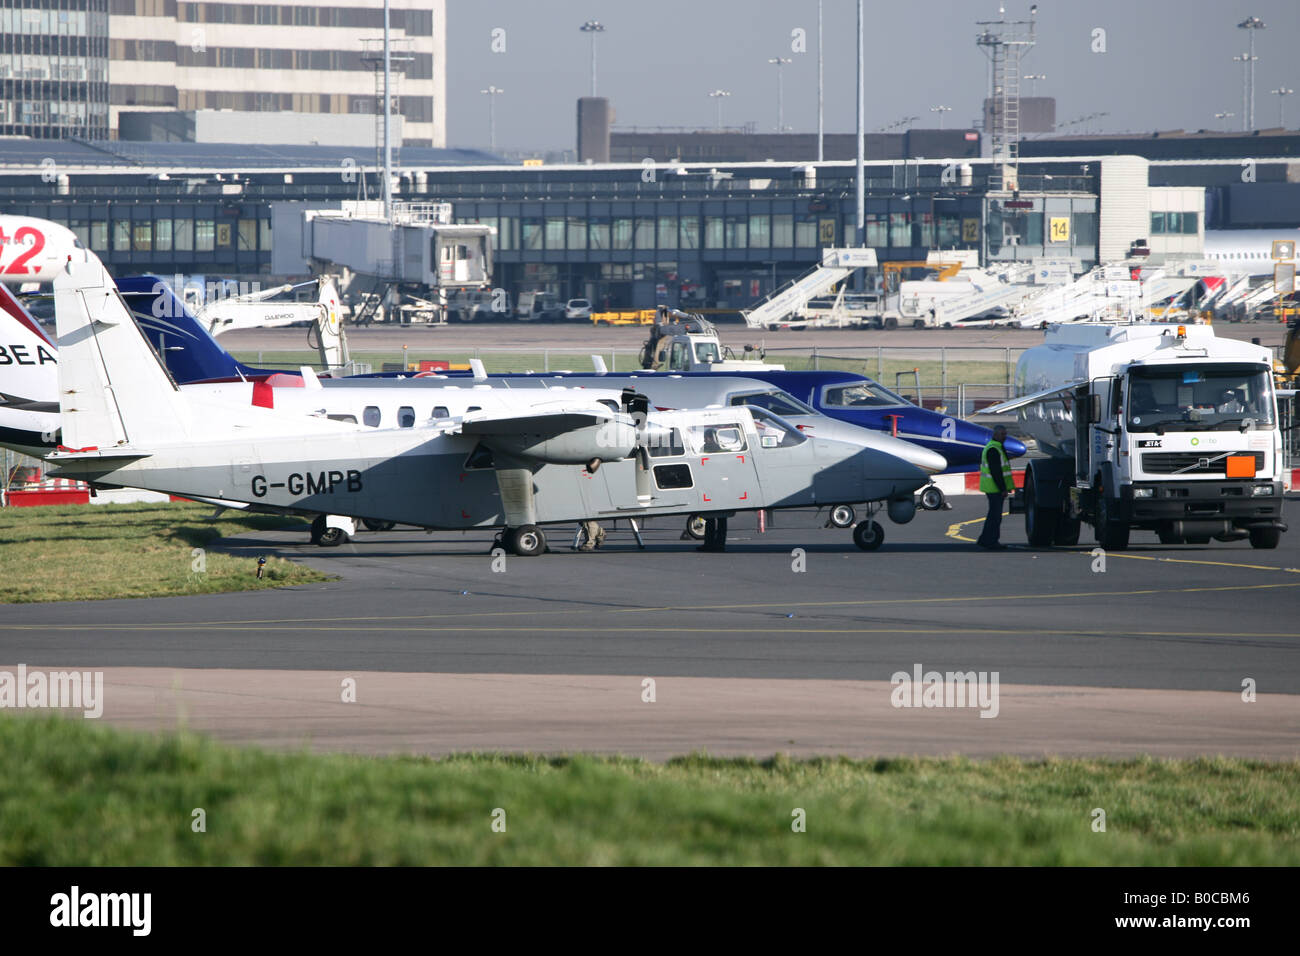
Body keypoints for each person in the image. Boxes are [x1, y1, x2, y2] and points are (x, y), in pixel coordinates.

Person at [976, 425, 1014, 550]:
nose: (1005, 437)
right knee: (995, 516)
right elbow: (996, 471)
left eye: (1005, 434)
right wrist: (1002, 488)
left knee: (993, 515)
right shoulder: (994, 449)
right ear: (996, 434)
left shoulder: (996, 447)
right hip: (994, 488)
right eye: (1003, 434)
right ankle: (991, 541)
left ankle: (985, 539)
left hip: (993, 488)